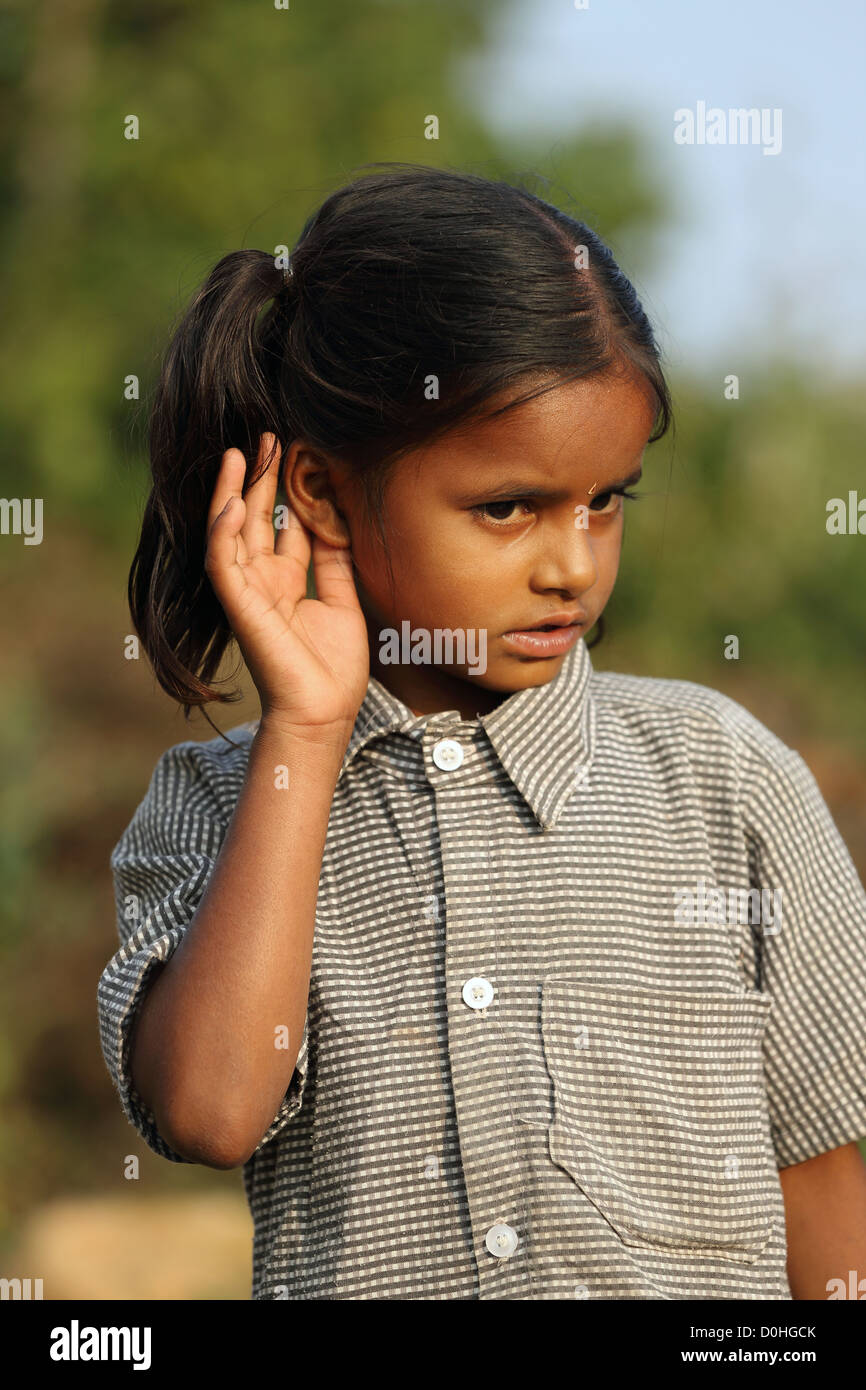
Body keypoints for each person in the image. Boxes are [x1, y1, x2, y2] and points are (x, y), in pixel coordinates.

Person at [97, 163, 866, 1300]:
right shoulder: (217, 805)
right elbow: (209, 1111)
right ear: (316, 488)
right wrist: (304, 736)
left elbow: (822, 1178)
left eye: (606, 500)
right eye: (505, 507)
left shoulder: (723, 779)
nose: (569, 562)